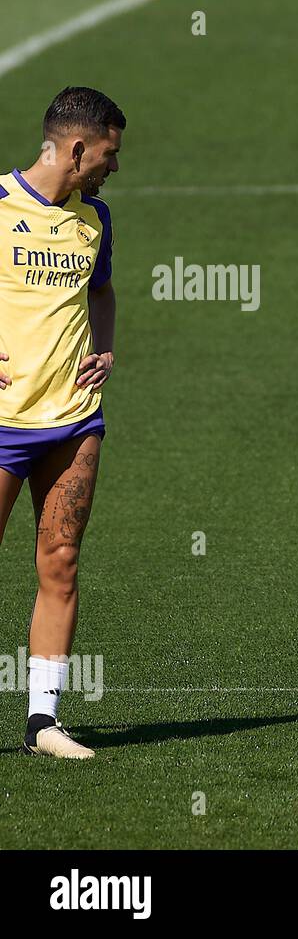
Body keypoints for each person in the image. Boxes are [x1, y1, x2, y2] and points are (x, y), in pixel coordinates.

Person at [1, 87, 123, 760]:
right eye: (109, 153)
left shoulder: (94, 220)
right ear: (77, 147)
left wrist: (104, 347)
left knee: (62, 560)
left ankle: (43, 722)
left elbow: (101, 290)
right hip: (2, 422)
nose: (115, 166)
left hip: (73, 422)